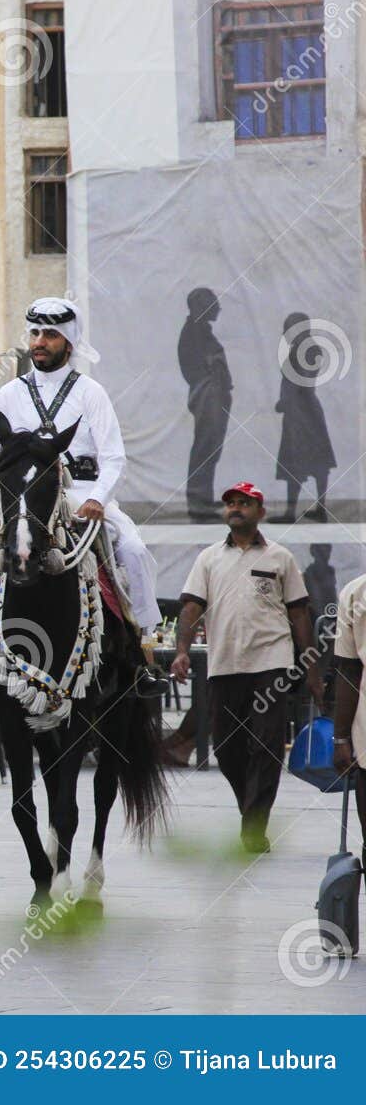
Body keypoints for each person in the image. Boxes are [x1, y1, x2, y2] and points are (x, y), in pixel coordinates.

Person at [0, 298, 162, 635]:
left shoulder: (91, 393)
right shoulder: (10, 393)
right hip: (21, 498)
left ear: (69, 343)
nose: (39, 342)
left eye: (50, 335)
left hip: (81, 493)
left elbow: (114, 457)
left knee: (134, 551)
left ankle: (143, 640)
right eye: (35, 333)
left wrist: (99, 499)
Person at [170, 482, 321, 854]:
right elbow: (190, 608)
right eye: (231, 504)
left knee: (267, 747)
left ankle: (254, 827)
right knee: (226, 748)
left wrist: (312, 668)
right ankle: (249, 812)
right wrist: (182, 650)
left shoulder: (279, 557)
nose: (236, 508)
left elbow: (299, 613)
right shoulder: (208, 558)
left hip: (272, 662)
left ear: (260, 512)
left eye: (244, 503)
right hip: (224, 665)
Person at [273, 312, 336, 523]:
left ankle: (318, 508)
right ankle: (297, 511)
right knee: (296, 460)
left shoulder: (309, 350)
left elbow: (304, 382)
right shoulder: (300, 350)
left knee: (312, 460)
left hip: (303, 413)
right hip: (298, 412)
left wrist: (287, 401)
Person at [178, 288, 232, 522]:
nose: (218, 308)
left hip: (214, 396)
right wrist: (211, 382)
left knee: (211, 449)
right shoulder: (194, 332)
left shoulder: (201, 331)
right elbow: (193, 367)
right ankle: (198, 504)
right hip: (207, 397)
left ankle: (203, 499)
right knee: (205, 448)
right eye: (213, 303)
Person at [328, 571, 366, 847]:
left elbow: (348, 670)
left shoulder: (356, 591)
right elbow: (348, 670)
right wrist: (340, 737)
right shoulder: (355, 593)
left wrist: (341, 738)